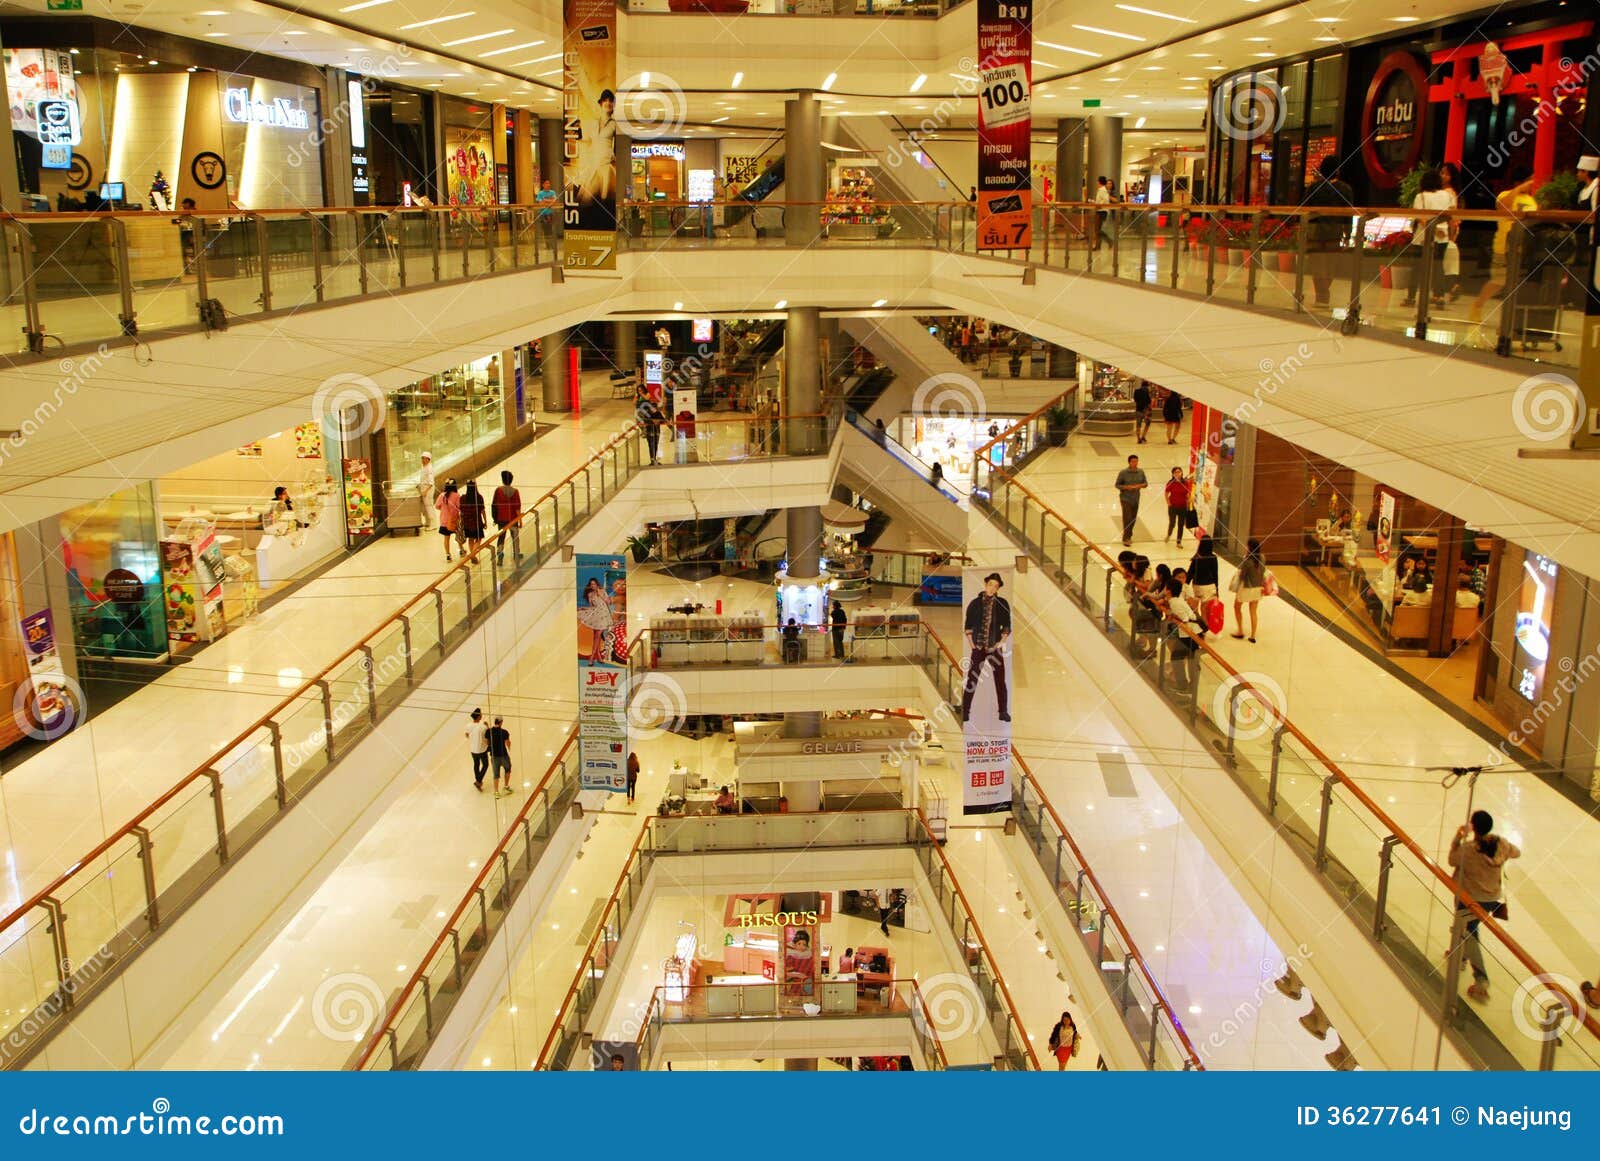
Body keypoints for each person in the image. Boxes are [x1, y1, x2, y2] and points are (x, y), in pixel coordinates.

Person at [1446, 809, 1521, 1003]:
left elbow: (1452, 860)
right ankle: (1460, 955)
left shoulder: (1469, 850)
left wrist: (1458, 837)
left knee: (1470, 934)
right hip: (1492, 898)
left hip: (1470, 898)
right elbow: (1516, 852)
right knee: (1467, 929)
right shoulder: (1501, 843)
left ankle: (1481, 981)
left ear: (1473, 827)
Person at [1303, 154, 1355, 308]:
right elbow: (1348, 214)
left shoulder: (1313, 188)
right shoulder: (1345, 189)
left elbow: (1304, 209)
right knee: (1331, 265)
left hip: (1315, 233)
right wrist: (1348, 233)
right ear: (1337, 171)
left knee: (1317, 265)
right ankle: (1323, 294)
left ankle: (1321, 295)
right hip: (1335, 233)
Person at [961, 572, 1011, 724]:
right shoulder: (975, 603)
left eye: (995, 586)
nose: (992, 588)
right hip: (978, 647)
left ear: (998, 588)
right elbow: (968, 626)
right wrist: (973, 646)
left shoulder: (1002, 603)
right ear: (985, 584)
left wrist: (999, 644)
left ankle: (1003, 711)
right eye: (990, 584)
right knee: (972, 679)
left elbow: (1007, 626)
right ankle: (965, 711)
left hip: (994, 648)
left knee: (1000, 680)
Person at [1404, 168, 1455, 308]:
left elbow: (1420, 218)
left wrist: (1432, 229)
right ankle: (1438, 296)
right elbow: (1451, 214)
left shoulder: (1420, 197)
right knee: (1438, 267)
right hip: (1442, 236)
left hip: (1422, 237)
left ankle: (1411, 297)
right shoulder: (1447, 195)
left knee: (1417, 268)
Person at [1164, 576, 1202, 688]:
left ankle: (1182, 684)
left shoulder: (1174, 603)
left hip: (1189, 634)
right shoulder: (1177, 600)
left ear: (1169, 591)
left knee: (1178, 657)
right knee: (1187, 659)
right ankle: (1188, 684)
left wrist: (1174, 616)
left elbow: (1185, 619)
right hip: (1192, 633)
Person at [1230, 538, 1266, 642]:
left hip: (1246, 588)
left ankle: (1240, 630)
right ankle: (1253, 635)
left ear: (1250, 548)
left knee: (1237, 607)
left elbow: (1242, 576)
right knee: (1253, 611)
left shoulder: (1247, 561)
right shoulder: (1263, 558)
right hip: (1258, 588)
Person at [578, 577, 617, 663]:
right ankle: (598, 656)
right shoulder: (590, 594)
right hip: (596, 615)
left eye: (594, 584)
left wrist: (601, 594)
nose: (593, 586)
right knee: (596, 636)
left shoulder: (602, 591)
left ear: (597, 584)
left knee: (597, 636)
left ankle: (591, 657)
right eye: (591, 584)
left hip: (604, 615)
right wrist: (583, 608)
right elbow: (592, 606)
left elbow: (608, 603)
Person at [1114, 454, 1147, 547]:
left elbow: (1145, 483)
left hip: (1136, 498)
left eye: (1136, 461)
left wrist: (1139, 486)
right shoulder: (1123, 473)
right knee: (1127, 518)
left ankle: (1129, 534)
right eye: (1133, 461)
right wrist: (1127, 487)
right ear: (1129, 462)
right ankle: (1126, 538)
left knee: (1133, 518)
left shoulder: (1141, 472)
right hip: (1125, 498)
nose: (1135, 463)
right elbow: (1117, 485)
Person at [491, 470, 522, 565]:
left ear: (503, 480)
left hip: (501, 519)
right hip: (513, 519)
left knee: (501, 538)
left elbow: (494, 505)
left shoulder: (498, 490)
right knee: (515, 537)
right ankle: (516, 554)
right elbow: (517, 508)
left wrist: (495, 518)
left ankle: (500, 558)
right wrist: (520, 520)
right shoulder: (515, 492)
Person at [486, 715, 514, 797]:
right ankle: (506, 786)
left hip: (494, 756)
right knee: (508, 769)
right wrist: (509, 746)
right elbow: (508, 743)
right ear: (501, 722)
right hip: (503, 755)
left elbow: (488, 742)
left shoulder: (489, 731)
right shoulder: (504, 732)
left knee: (496, 774)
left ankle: (496, 792)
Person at [459, 479, 487, 559]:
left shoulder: (463, 498)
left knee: (470, 539)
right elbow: (482, 511)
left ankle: (472, 555)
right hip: (477, 522)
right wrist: (485, 521)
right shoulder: (479, 497)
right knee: (479, 538)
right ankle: (473, 555)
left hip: (467, 522)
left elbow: (461, 511)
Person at [1163, 467, 1191, 546]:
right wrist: (1168, 503)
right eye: (1175, 472)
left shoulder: (1185, 482)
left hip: (1183, 506)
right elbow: (1166, 493)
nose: (1177, 474)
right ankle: (1169, 534)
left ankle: (1179, 541)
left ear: (1182, 473)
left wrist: (1189, 499)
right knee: (1172, 522)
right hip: (1173, 506)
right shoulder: (1171, 483)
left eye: (1179, 472)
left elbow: (1188, 493)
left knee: (1181, 524)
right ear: (1173, 474)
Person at [435, 480, 461, 563]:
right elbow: (460, 507)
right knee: (458, 535)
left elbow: (437, 506)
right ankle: (461, 549)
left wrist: (443, 510)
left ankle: (448, 555)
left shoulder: (441, 495)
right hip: (454, 520)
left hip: (444, 520)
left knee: (446, 538)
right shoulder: (457, 496)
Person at [1188, 535, 1219, 603]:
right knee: (1205, 607)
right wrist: (1217, 590)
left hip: (1197, 585)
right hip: (1209, 585)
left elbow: (1190, 572)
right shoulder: (1213, 558)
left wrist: (1185, 585)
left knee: (1195, 605)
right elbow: (1215, 575)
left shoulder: (1197, 556)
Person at [465, 707, 489, 792]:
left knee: (476, 764)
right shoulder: (483, 727)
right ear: (479, 717)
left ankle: (478, 780)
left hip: (473, 750)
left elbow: (467, 735)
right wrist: (487, 726)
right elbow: (487, 737)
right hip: (482, 749)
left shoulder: (468, 725)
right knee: (485, 765)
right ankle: (479, 781)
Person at [638, 396, 664, 464]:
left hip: (656, 433)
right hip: (650, 433)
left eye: (654, 408)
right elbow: (645, 421)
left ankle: (654, 459)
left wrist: (658, 421)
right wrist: (653, 421)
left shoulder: (658, 413)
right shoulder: (647, 414)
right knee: (651, 445)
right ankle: (652, 460)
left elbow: (663, 420)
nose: (653, 409)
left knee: (655, 445)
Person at [1093, 176, 1113, 249]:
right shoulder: (1101, 190)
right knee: (1097, 229)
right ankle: (1098, 245)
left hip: (1102, 211)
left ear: (1099, 182)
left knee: (1097, 229)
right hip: (1100, 210)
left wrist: (1098, 205)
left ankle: (1109, 241)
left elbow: (1105, 200)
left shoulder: (1102, 190)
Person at [418, 450, 436, 515]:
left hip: (428, 490)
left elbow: (431, 483)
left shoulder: (429, 468)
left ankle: (433, 521)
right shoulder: (423, 466)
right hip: (423, 488)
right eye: (422, 458)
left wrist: (426, 491)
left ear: (428, 460)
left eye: (424, 458)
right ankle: (428, 522)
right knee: (425, 506)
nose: (422, 460)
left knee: (429, 506)